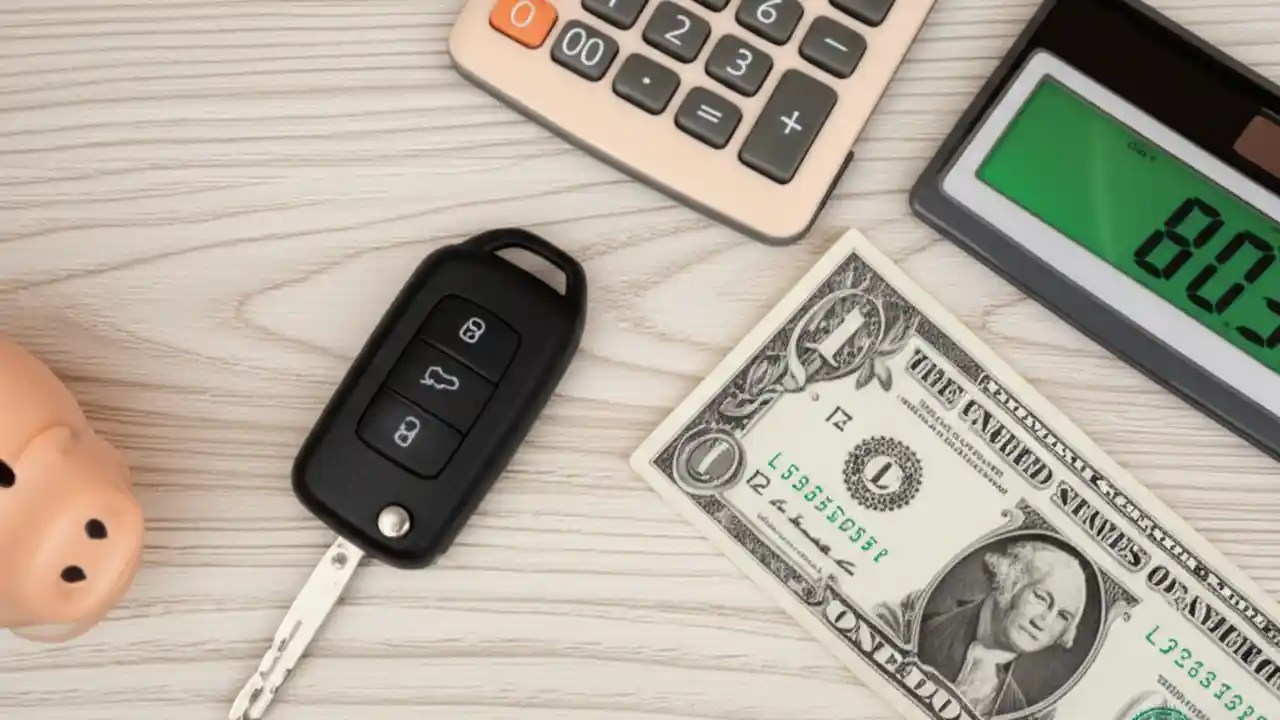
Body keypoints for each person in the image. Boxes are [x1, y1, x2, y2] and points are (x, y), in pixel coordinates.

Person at [917, 540, 1088, 719]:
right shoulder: (918, 624)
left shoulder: (1021, 708)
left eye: (1063, 616)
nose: (1043, 622)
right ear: (1011, 582)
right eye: (1041, 598)